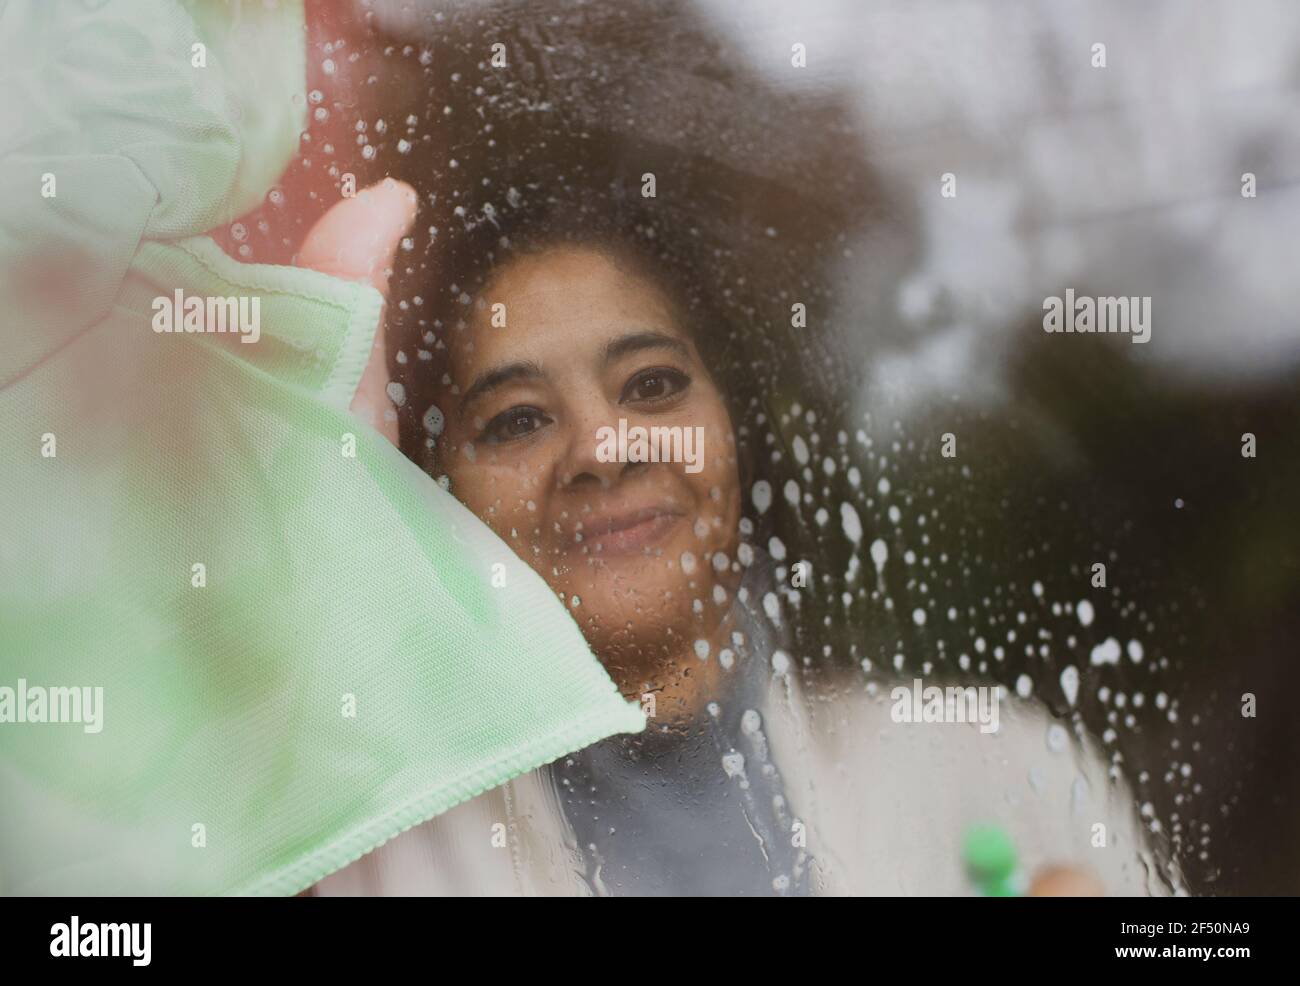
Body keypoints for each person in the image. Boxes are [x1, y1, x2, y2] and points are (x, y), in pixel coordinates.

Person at [302, 163, 1182, 895]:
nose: (602, 452)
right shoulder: (365, 858)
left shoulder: (991, 769)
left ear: (738, 431)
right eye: (516, 420)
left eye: (652, 385)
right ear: (442, 497)